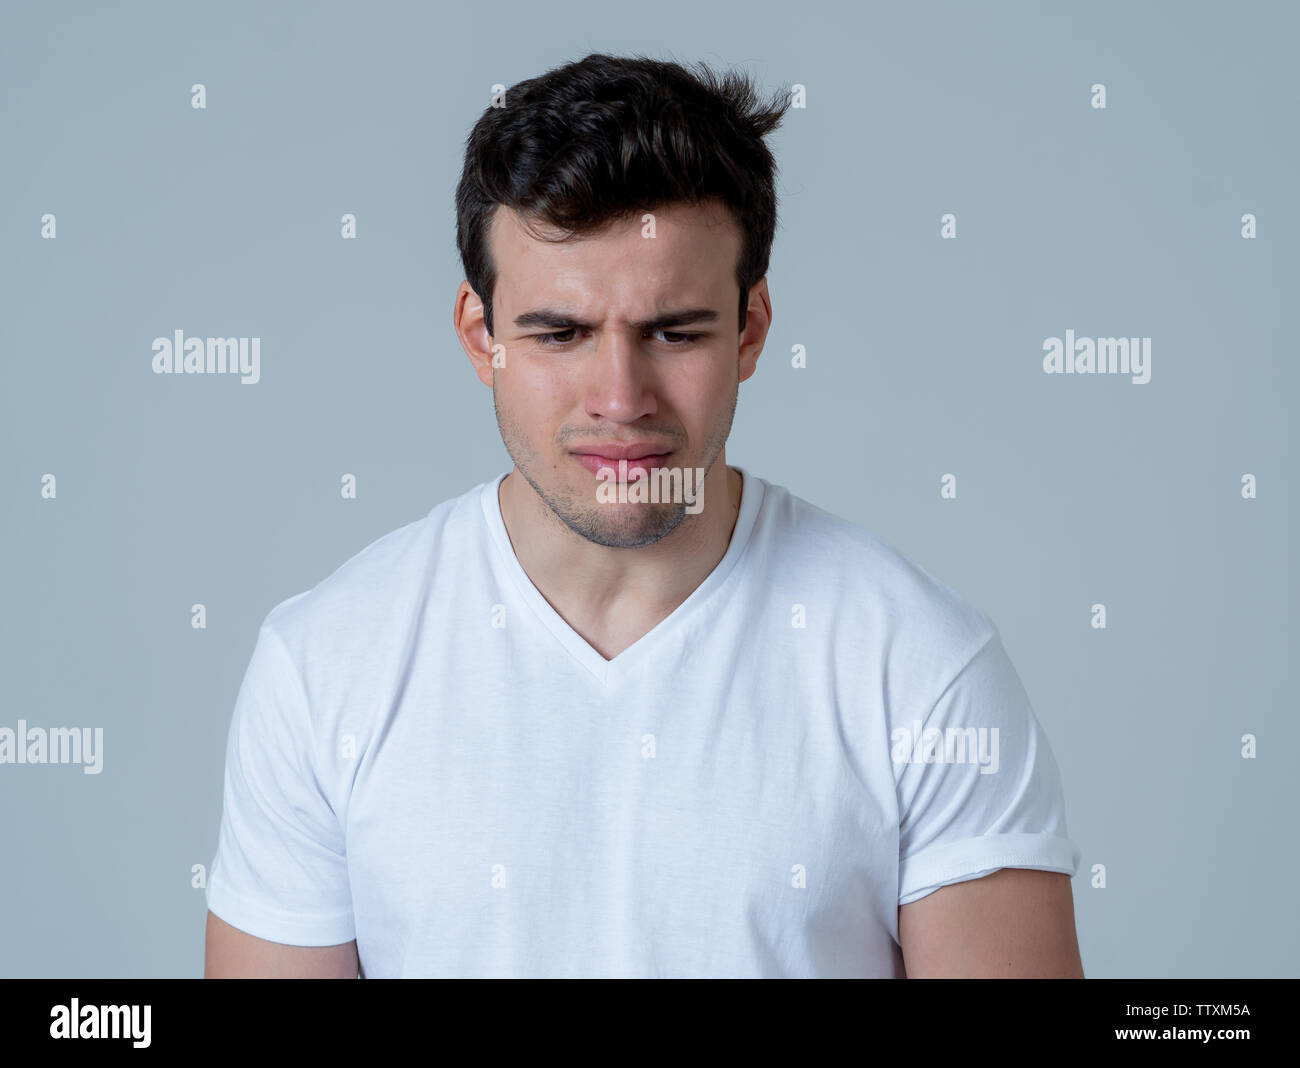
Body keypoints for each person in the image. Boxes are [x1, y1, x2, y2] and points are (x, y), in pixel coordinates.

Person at [204, 52, 1083, 978]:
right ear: (480, 336)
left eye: (674, 332)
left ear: (749, 331)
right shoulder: (326, 665)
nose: (620, 400)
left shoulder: (920, 667)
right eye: (560, 334)